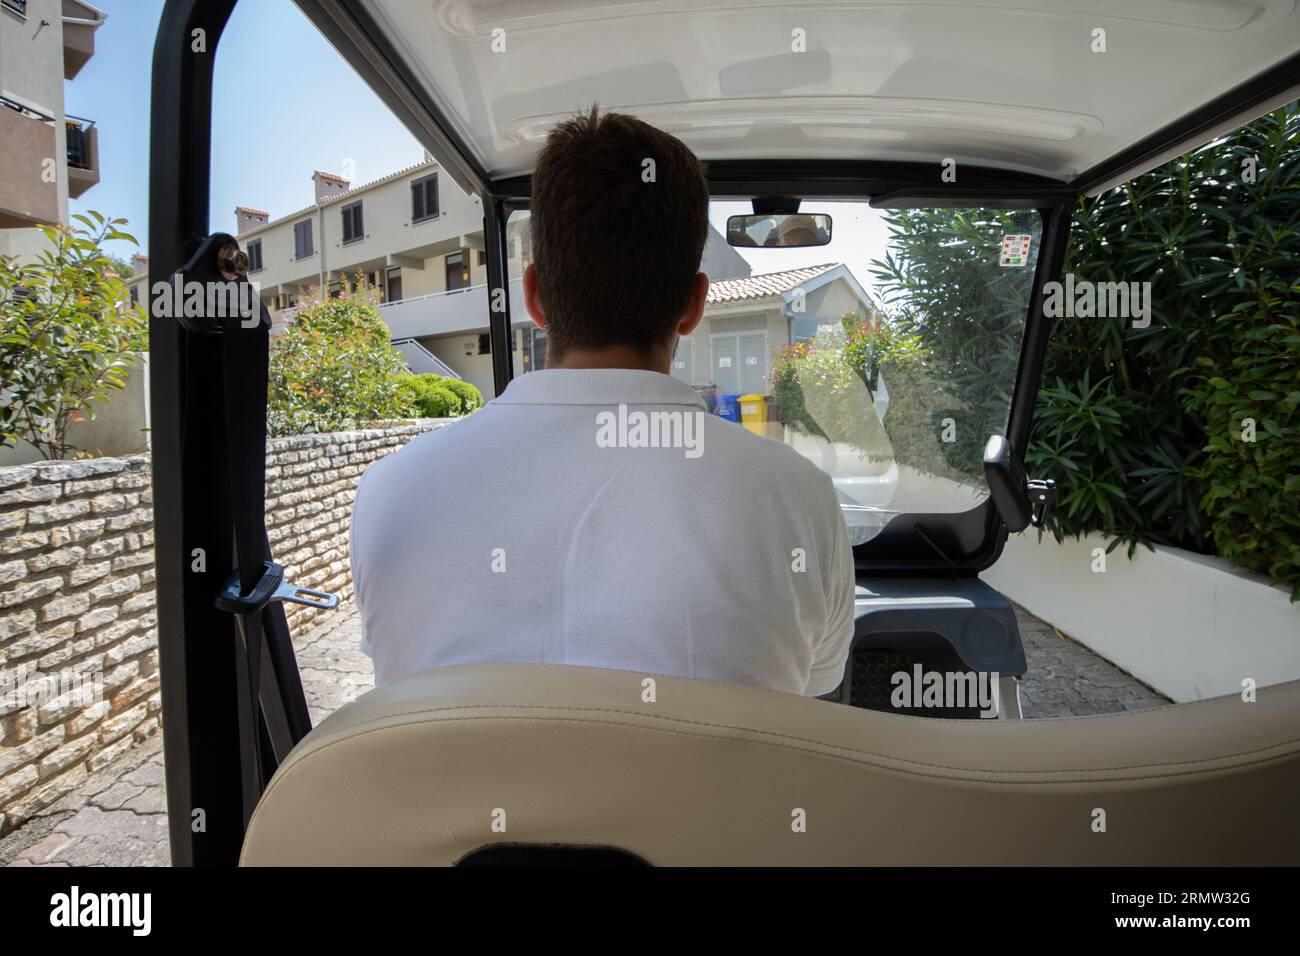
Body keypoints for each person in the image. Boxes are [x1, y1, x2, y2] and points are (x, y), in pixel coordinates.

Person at [350, 106, 856, 696]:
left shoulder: (390, 492)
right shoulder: (801, 500)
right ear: (694, 305)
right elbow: (818, 688)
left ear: (534, 297)